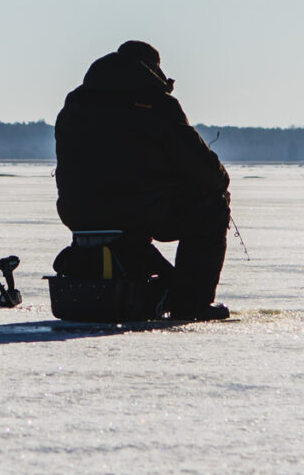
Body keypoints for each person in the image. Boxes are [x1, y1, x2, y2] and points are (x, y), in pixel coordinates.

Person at [53, 41, 230, 320]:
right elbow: (208, 173)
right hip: (139, 212)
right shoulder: (158, 104)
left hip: (79, 212)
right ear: (153, 69)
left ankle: (154, 283)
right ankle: (192, 303)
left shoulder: (75, 104)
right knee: (212, 206)